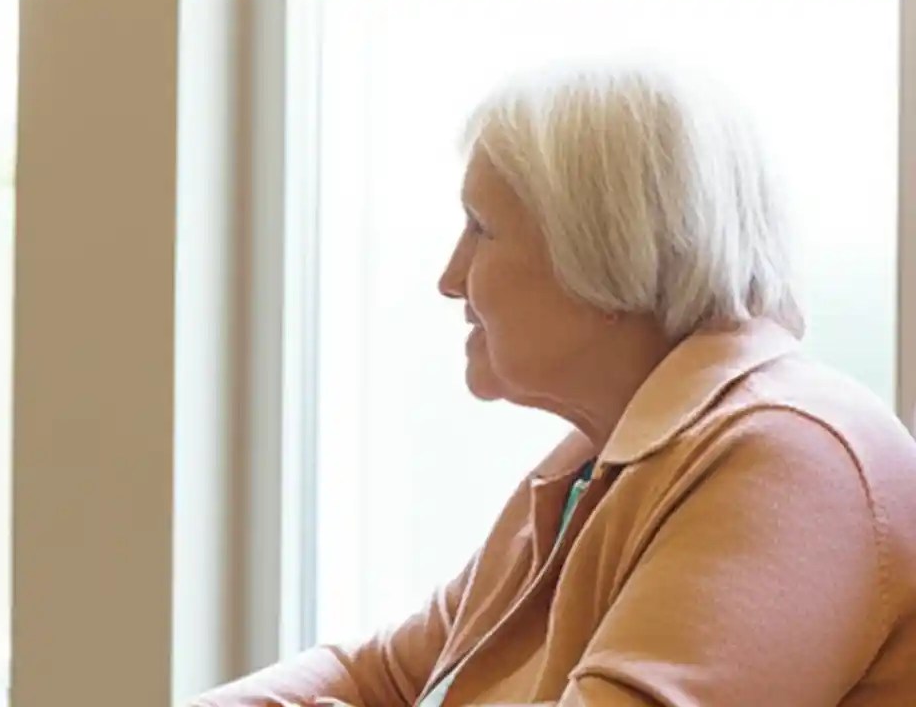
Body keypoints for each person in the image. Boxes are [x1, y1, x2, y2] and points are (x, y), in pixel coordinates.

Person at [193, 64, 916, 706]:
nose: (450, 279)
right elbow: (384, 675)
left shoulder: (793, 456)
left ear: (604, 250)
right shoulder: (591, 466)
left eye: (481, 228)